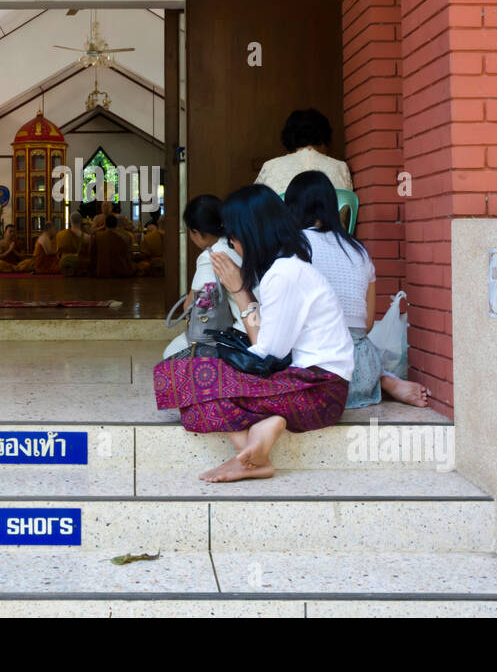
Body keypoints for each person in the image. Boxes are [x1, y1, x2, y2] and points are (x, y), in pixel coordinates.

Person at [154, 184, 354, 483]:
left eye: (233, 235)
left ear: (251, 232)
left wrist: (238, 289)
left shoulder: (283, 274)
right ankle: (258, 441)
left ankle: (253, 454)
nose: (231, 244)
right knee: (193, 383)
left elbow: (266, 350)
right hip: (311, 382)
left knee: (188, 379)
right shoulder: (284, 268)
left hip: (318, 390)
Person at [285, 172, 428, 408]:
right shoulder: (359, 250)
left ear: (291, 207)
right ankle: (384, 381)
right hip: (363, 368)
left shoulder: (295, 247)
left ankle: (386, 381)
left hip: (320, 373)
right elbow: (368, 323)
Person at [162, 196, 245, 358]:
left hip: (240, 333)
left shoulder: (212, 257)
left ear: (197, 232)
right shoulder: (240, 243)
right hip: (261, 322)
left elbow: (193, 306)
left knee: (171, 355)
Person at [255, 109, 352, 197]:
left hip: (283, 217)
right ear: (324, 136)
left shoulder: (270, 167)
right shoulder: (341, 167)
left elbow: (254, 208)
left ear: (289, 137)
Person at [92, 213, 135, 278]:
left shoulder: (97, 236)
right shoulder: (126, 236)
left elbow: (93, 254)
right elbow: (128, 254)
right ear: (116, 224)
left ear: (105, 225)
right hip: (121, 270)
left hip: (102, 270)